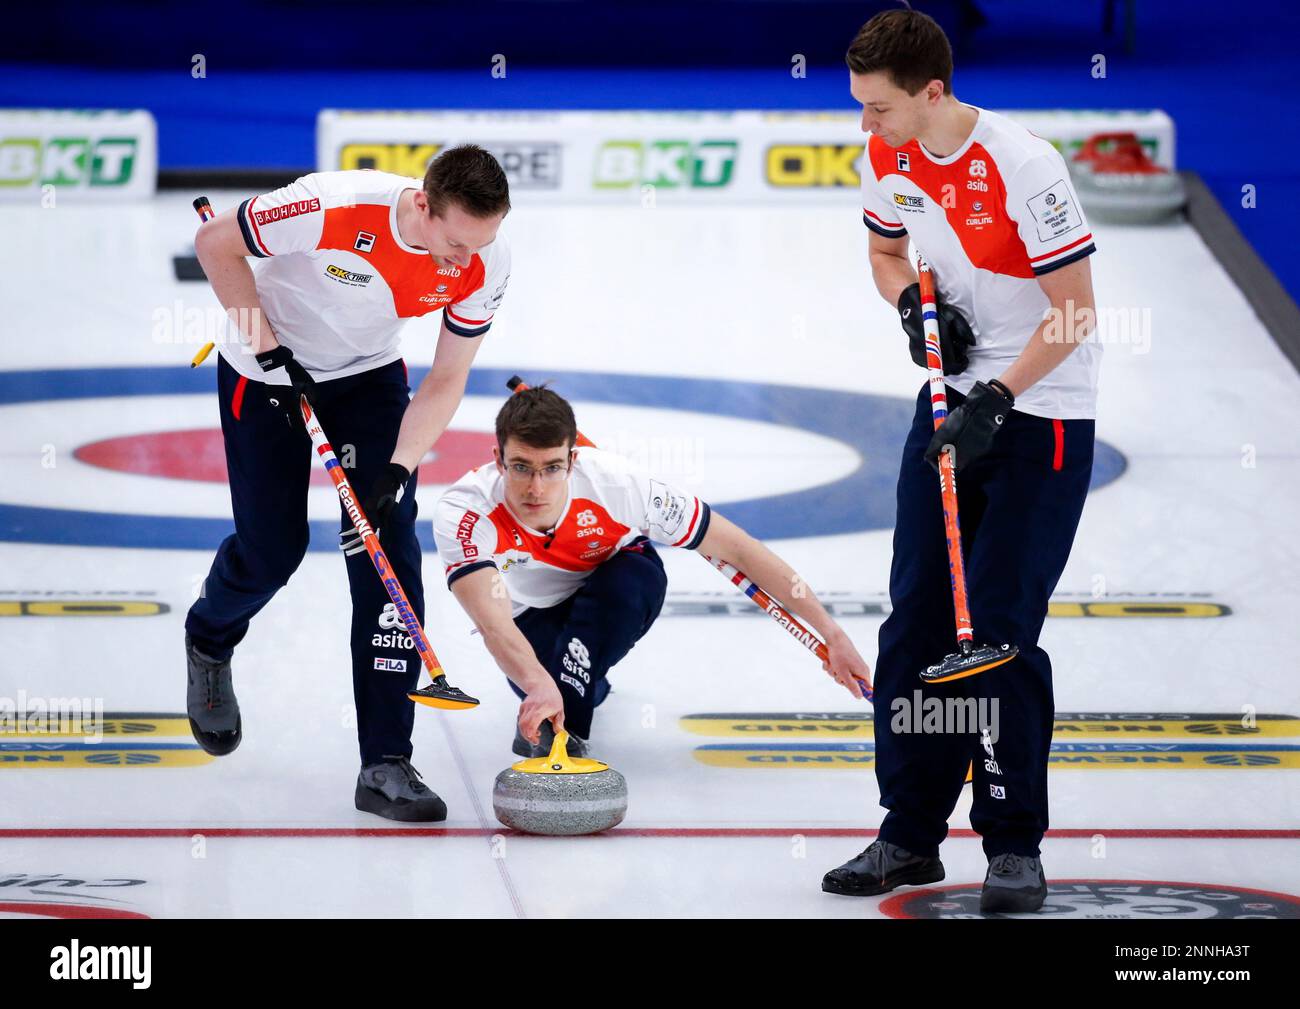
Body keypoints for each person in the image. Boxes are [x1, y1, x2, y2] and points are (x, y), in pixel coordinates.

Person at [822, 10, 1100, 912]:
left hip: (1040, 412)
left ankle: (1013, 844)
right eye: (860, 107)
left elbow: (1075, 312)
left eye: (880, 108)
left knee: (996, 634)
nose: (867, 128)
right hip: (948, 407)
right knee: (918, 626)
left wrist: (1000, 397)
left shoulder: (1024, 164)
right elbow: (882, 249)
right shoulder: (888, 158)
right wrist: (911, 305)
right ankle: (909, 833)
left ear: (933, 92)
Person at [183, 146, 512, 822]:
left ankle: (385, 761)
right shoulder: (328, 206)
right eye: (452, 243)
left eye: (478, 245)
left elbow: (447, 378)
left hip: (366, 377)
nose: (461, 262)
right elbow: (215, 243)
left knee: (385, 544)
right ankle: (209, 637)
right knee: (273, 551)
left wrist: (399, 465)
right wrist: (263, 340)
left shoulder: (485, 260)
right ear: (423, 203)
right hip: (264, 370)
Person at [432, 386, 872, 755]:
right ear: (497, 458)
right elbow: (493, 626)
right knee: (553, 683)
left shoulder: (618, 484)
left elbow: (741, 550)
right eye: (520, 468)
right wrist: (534, 682)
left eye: (552, 468)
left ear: (574, 460)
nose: (536, 487)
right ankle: (584, 684)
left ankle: (567, 739)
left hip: (616, 581)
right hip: (532, 611)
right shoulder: (464, 512)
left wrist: (831, 634)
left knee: (569, 685)